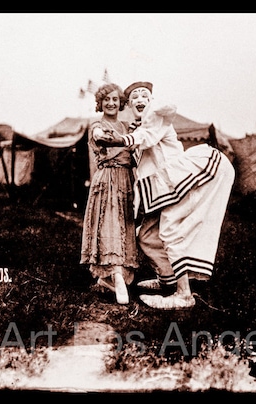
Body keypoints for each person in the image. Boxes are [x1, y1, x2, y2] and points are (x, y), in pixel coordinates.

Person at [99, 81, 235, 309]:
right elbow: (140, 157)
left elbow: (151, 130)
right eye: (134, 98)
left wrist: (120, 140)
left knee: (170, 230)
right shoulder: (137, 128)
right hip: (160, 188)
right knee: (147, 236)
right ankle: (167, 278)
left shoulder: (157, 116)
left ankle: (184, 294)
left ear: (151, 100)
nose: (140, 99)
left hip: (177, 180)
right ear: (129, 106)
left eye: (144, 95)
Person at [80, 83, 139, 304]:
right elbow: (98, 137)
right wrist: (110, 137)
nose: (111, 103)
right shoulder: (97, 125)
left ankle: (111, 278)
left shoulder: (126, 126)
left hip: (127, 179)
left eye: (115, 99)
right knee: (110, 224)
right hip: (108, 179)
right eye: (107, 99)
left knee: (125, 225)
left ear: (121, 102)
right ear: (100, 103)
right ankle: (116, 276)